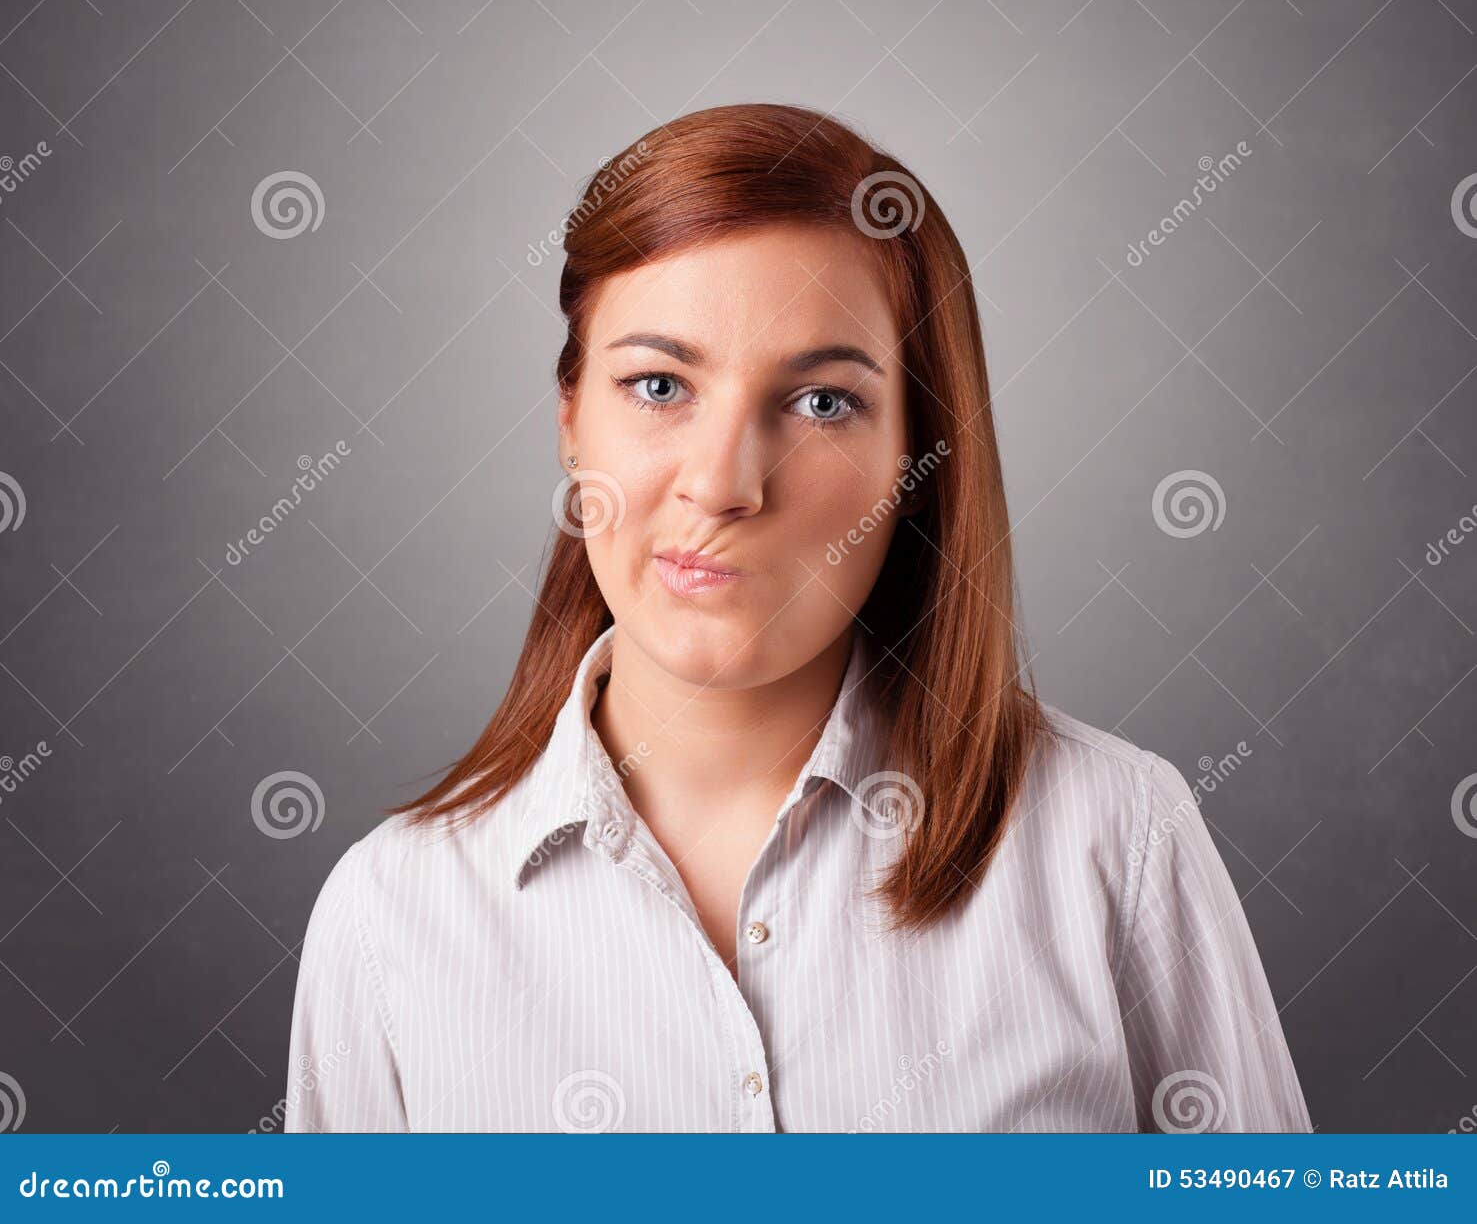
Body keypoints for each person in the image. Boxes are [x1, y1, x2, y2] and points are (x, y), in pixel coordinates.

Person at [284, 101, 1312, 1133]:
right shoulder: (389, 914)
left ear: (916, 461)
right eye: (657, 384)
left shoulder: (1117, 839)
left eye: (821, 403)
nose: (723, 484)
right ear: (569, 420)